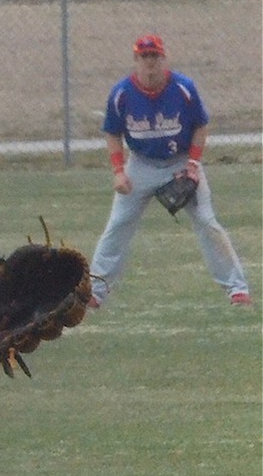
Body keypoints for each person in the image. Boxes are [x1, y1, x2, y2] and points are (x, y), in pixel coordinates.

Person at [89, 34, 251, 309]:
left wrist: (193, 165)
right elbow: (112, 133)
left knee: (206, 221)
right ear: (136, 60)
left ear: (164, 59)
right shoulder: (122, 94)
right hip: (140, 164)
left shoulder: (183, 88)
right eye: (144, 57)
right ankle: (94, 292)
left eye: (155, 56)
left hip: (180, 161)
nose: (150, 62)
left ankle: (237, 289)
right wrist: (118, 171)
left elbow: (201, 126)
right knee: (118, 224)